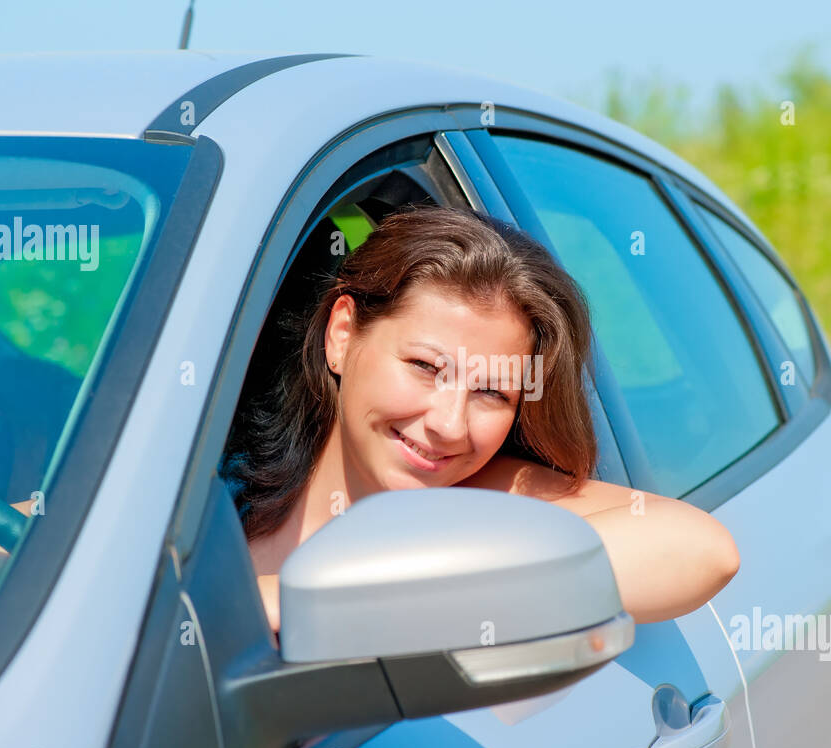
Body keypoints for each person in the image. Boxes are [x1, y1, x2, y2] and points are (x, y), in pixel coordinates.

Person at [221, 204, 740, 636]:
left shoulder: (475, 500)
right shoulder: (205, 484)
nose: (449, 425)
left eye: (492, 391)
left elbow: (703, 551)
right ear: (342, 335)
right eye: (425, 367)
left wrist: (314, 600)